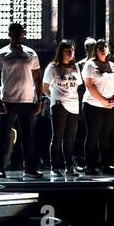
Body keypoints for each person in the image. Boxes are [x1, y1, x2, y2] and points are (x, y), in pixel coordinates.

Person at [0, 22, 43, 178]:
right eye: (17, 33)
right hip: (8, 100)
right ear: (10, 34)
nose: (20, 36)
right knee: (4, 135)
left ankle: (30, 168)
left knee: (28, 136)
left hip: (27, 100)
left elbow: (38, 78)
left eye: (22, 33)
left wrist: (38, 100)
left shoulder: (31, 53)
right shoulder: (1, 54)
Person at [42, 40, 82, 177]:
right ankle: (55, 167)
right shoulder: (53, 68)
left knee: (70, 138)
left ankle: (70, 166)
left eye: (72, 50)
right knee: (57, 137)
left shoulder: (76, 67)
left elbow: (78, 85)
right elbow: (45, 88)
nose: (70, 53)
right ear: (61, 52)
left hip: (74, 105)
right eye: (67, 51)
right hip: (59, 105)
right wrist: (54, 99)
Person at [81, 39, 114, 174]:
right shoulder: (90, 65)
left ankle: (106, 165)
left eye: (105, 47)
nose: (103, 49)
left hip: (109, 105)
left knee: (105, 136)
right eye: (100, 47)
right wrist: (102, 100)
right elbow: (89, 85)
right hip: (93, 104)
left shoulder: (112, 65)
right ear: (96, 51)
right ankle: (90, 166)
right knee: (93, 135)